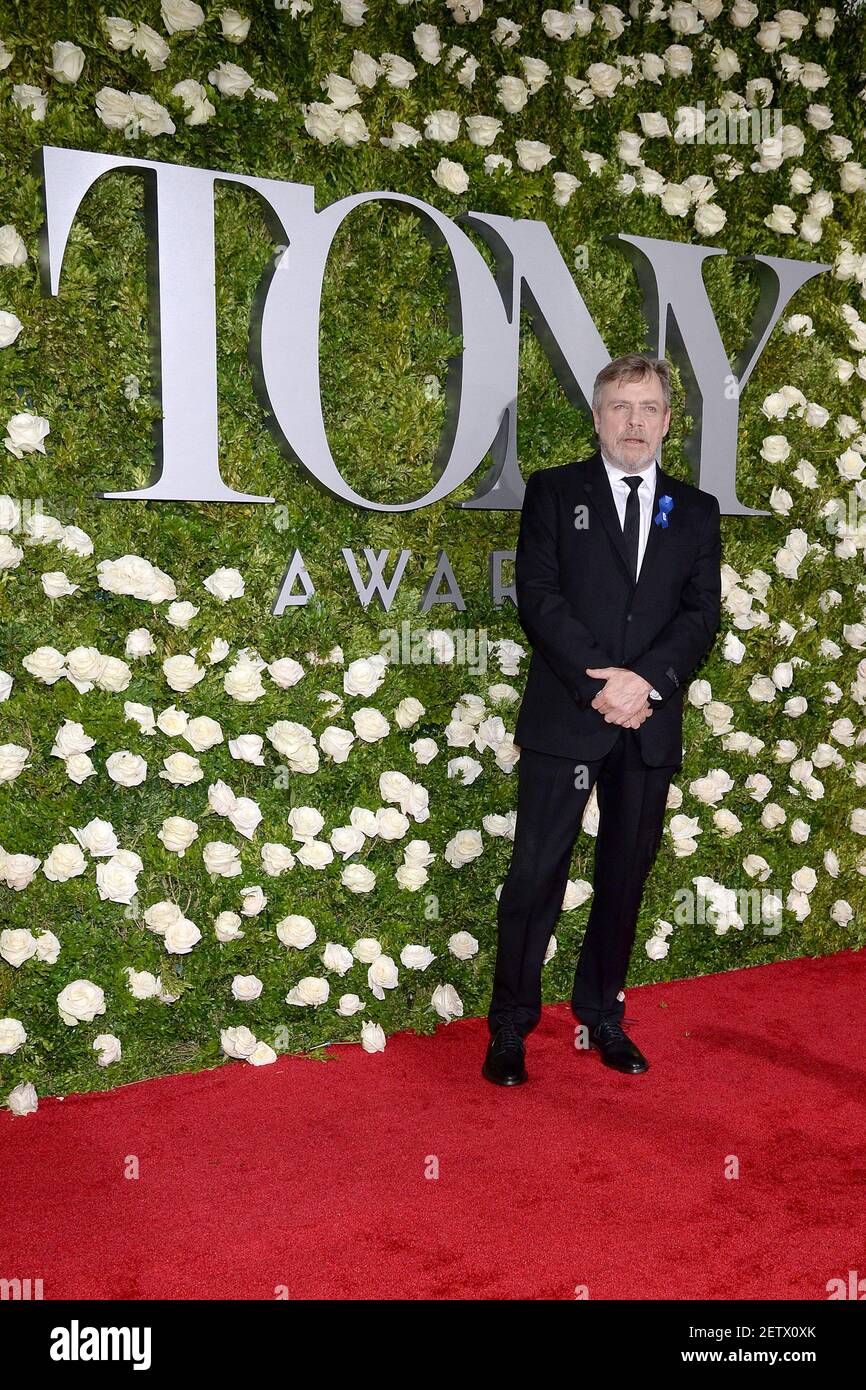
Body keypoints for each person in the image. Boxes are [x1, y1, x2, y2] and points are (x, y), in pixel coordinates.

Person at [483, 353, 721, 1084]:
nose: (635, 423)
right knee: (535, 875)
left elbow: (699, 613)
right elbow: (540, 597)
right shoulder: (557, 493)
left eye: (649, 408)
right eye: (620, 407)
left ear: (669, 422)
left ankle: (602, 1017)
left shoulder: (697, 509)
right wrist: (601, 687)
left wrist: (645, 683)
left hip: (648, 722)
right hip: (568, 717)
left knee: (625, 876)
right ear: (597, 416)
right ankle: (511, 1028)